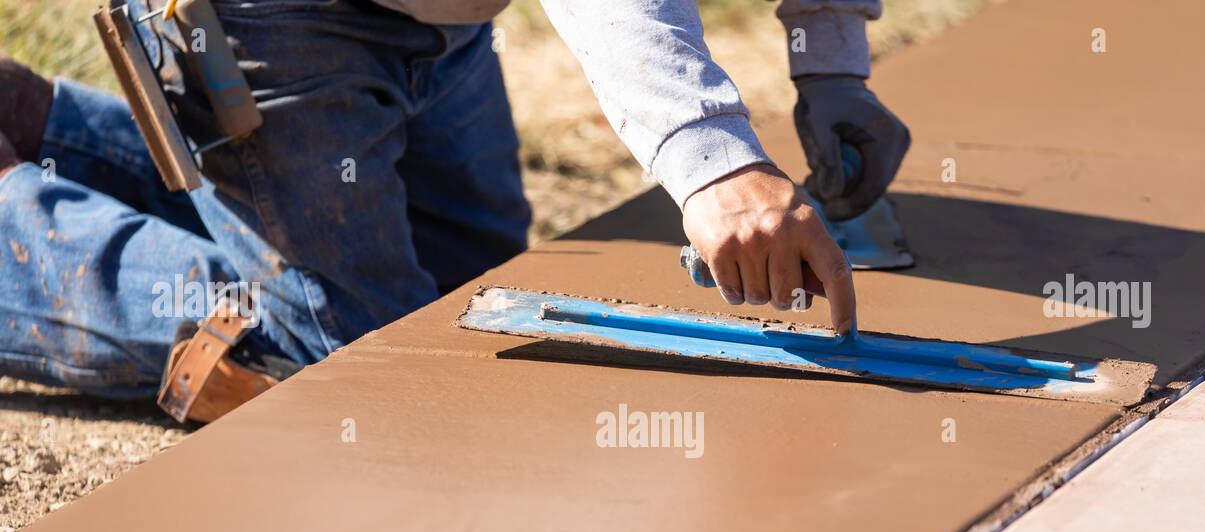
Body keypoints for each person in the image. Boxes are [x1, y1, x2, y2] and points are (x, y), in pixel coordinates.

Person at [0, 0, 908, 422]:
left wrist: (830, 63)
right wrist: (713, 164)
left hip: (438, 20)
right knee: (358, 366)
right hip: (270, 20)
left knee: (469, 283)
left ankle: (35, 126)